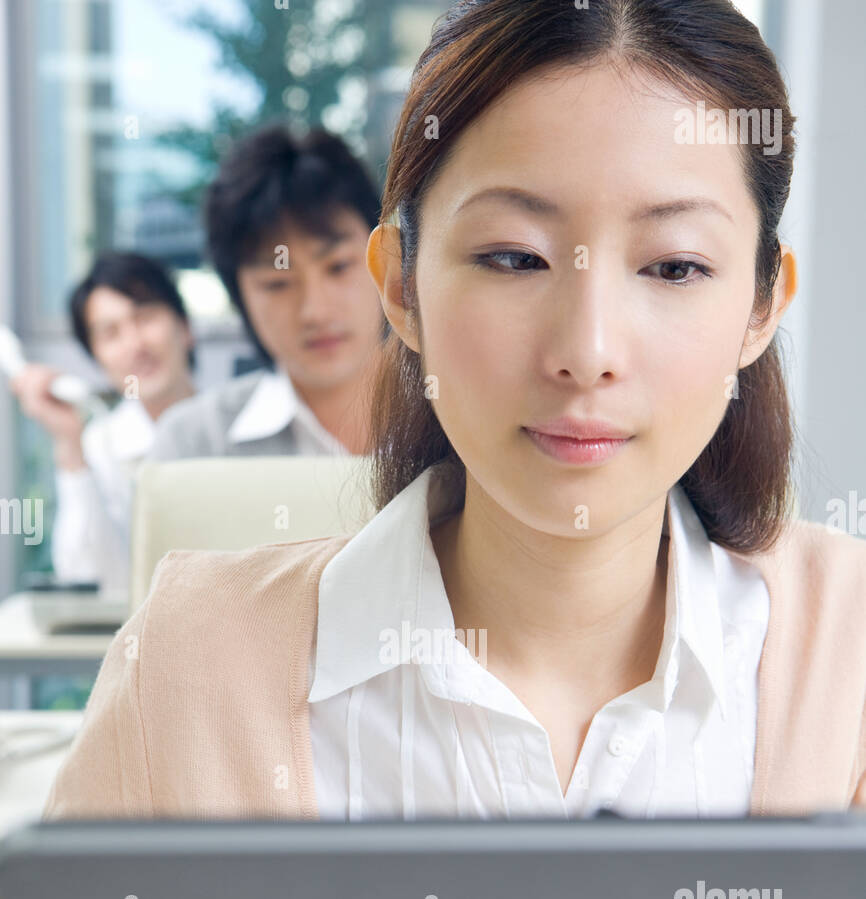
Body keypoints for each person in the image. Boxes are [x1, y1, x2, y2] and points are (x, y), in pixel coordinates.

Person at [40, 0, 866, 825]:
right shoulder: (189, 669)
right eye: (514, 257)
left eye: (675, 267)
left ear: (762, 307)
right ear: (401, 287)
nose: (588, 349)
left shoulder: (849, 660)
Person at [146, 125, 385, 463]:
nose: (315, 310)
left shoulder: (460, 416)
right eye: (277, 283)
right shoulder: (192, 448)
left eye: (338, 267)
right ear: (239, 296)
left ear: (384, 257)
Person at [10, 252, 195, 592]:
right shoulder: (100, 445)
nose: (135, 345)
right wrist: (70, 445)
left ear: (185, 328)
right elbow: (87, 578)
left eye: (146, 317)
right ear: (96, 358)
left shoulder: (240, 427)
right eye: (111, 334)